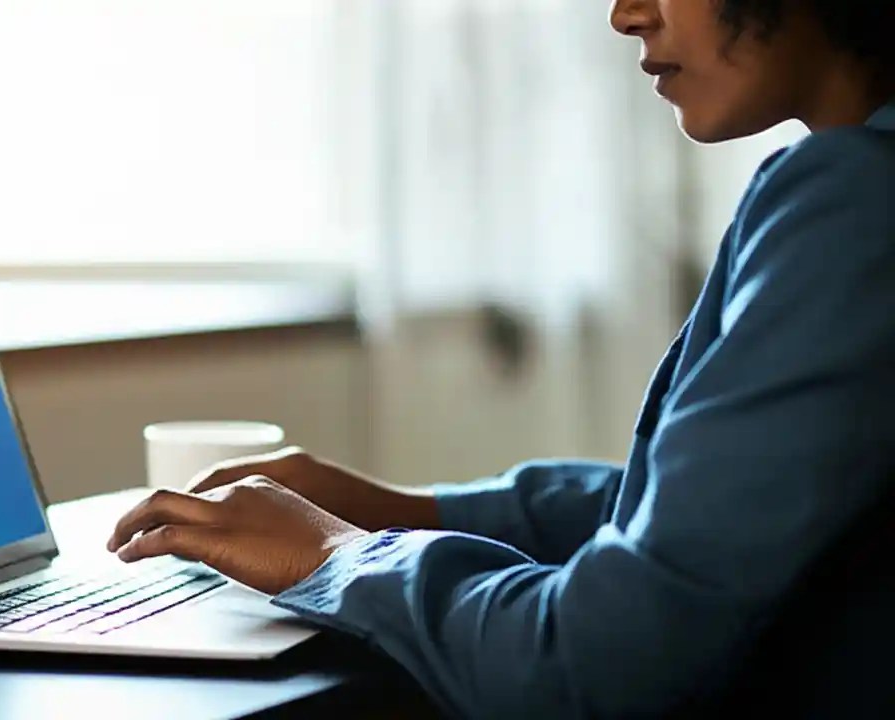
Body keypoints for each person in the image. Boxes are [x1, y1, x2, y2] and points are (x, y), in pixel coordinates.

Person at [108, 0, 895, 716]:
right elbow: (718, 510)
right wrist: (410, 510)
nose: (626, 15)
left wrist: (335, 555)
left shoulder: (854, 197)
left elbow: (601, 661)